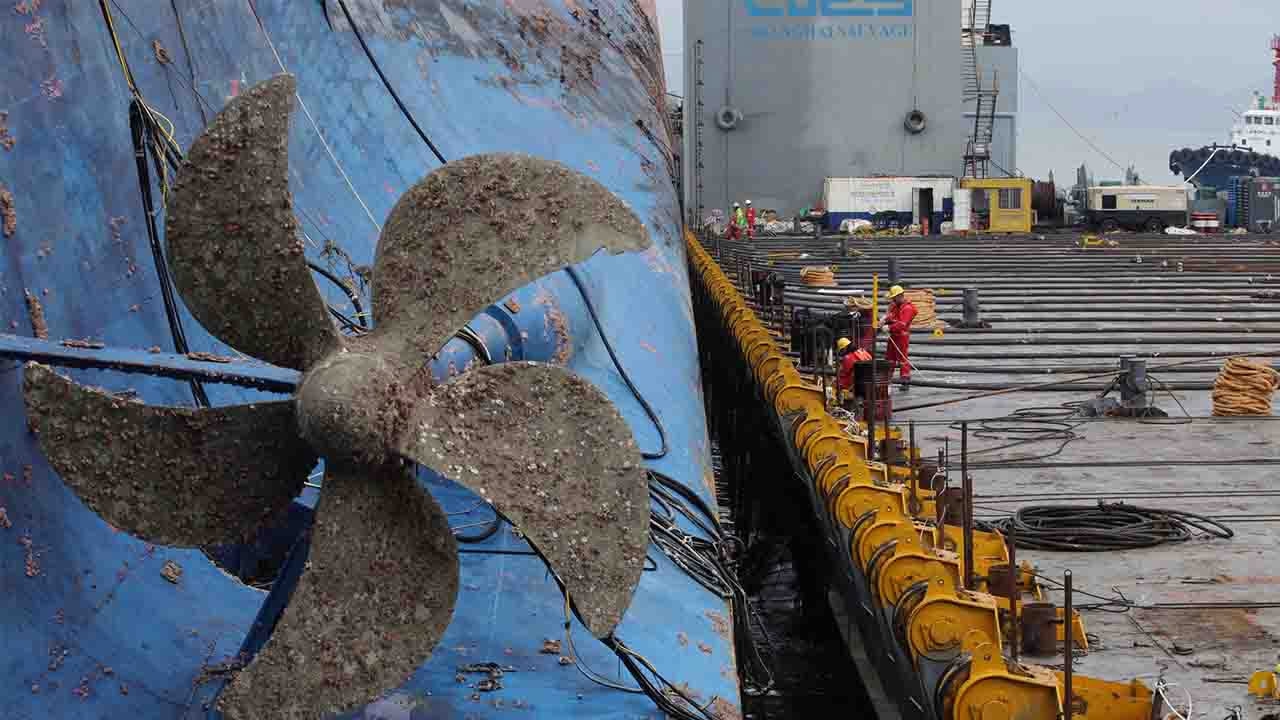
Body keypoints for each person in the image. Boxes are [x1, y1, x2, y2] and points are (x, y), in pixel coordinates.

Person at [880, 285, 917, 388]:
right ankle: (887, 378)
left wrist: (889, 328)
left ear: (900, 296)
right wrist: (884, 319)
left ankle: (905, 380)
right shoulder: (894, 305)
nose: (892, 299)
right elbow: (890, 315)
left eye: (893, 297)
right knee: (889, 358)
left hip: (901, 337)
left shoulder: (907, 308)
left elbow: (902, 324)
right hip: (893, 336)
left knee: (902, 358)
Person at [835, 337, 872, 406]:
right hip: (870, 382)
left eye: (841, 350)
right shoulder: (862, 351)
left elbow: (845, 375)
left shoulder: (848, 358)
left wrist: (838, 385)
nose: (841, 353)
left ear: (845, 348)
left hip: (858, 386)